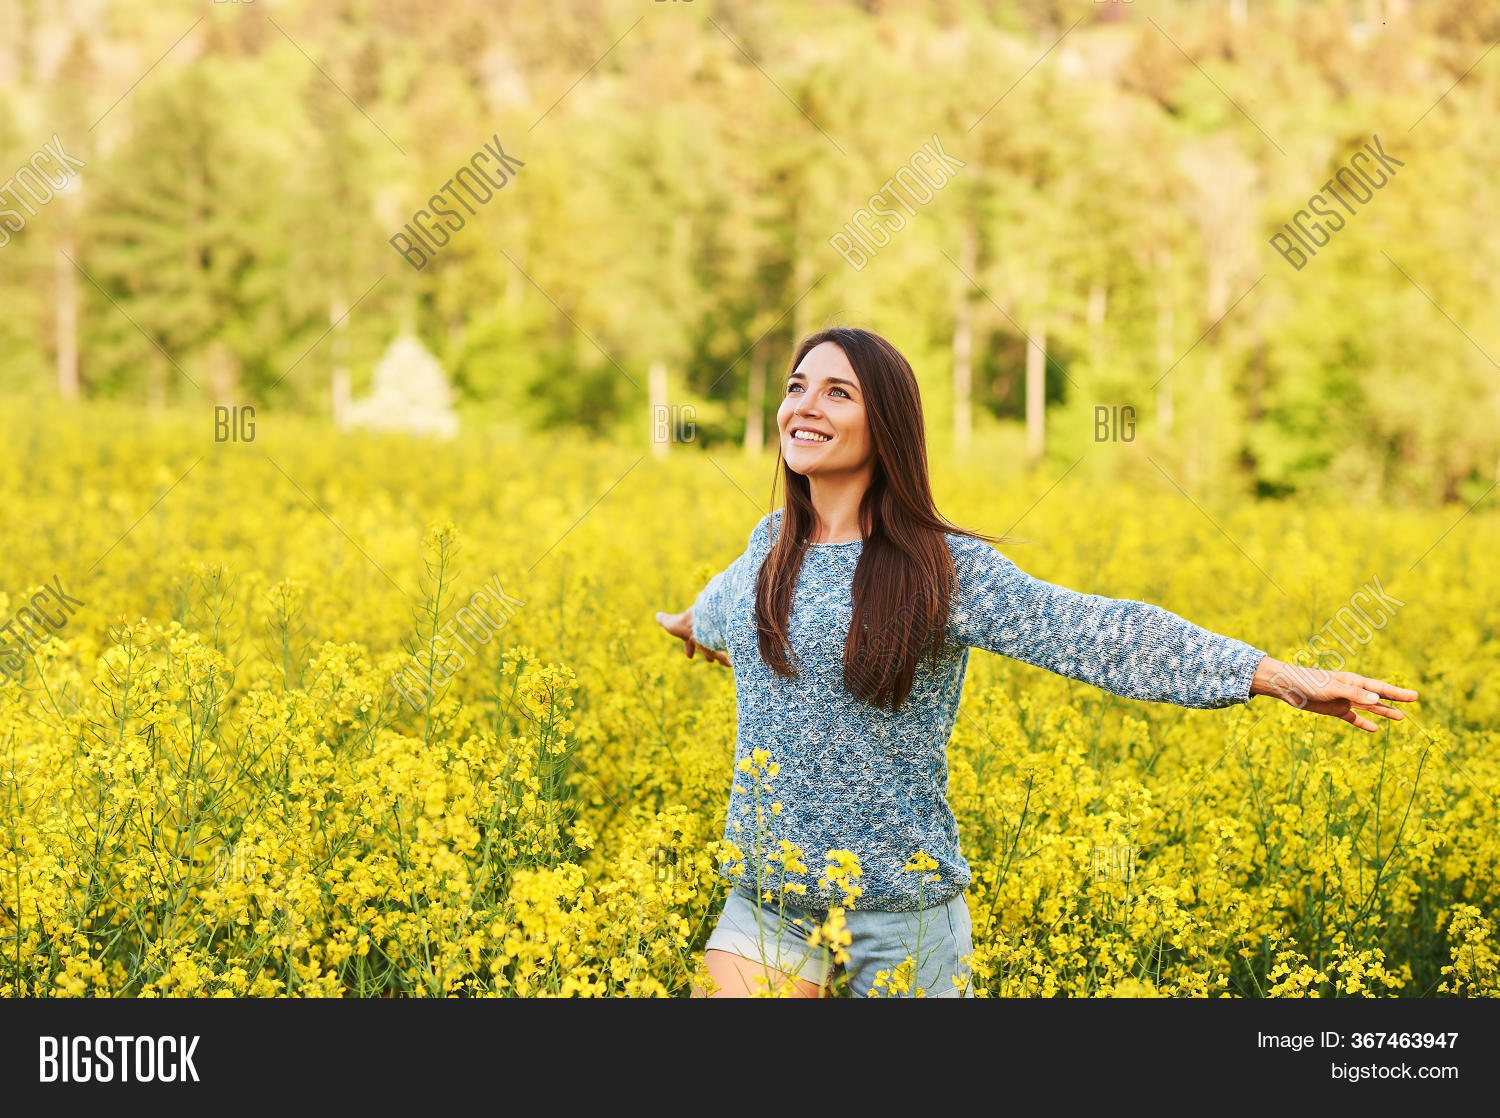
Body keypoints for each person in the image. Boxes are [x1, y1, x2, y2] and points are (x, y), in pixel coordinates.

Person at [655, 326, 1417, 999]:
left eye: (837, 392)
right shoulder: (768, 548)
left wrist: (1268, 674)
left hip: (900, 922)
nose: (804, 406)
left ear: (884, 425)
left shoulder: (940, 569)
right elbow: (721, 606)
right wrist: (691, 624)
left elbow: (1091, 630)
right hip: (768, 902)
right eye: (796, 388)